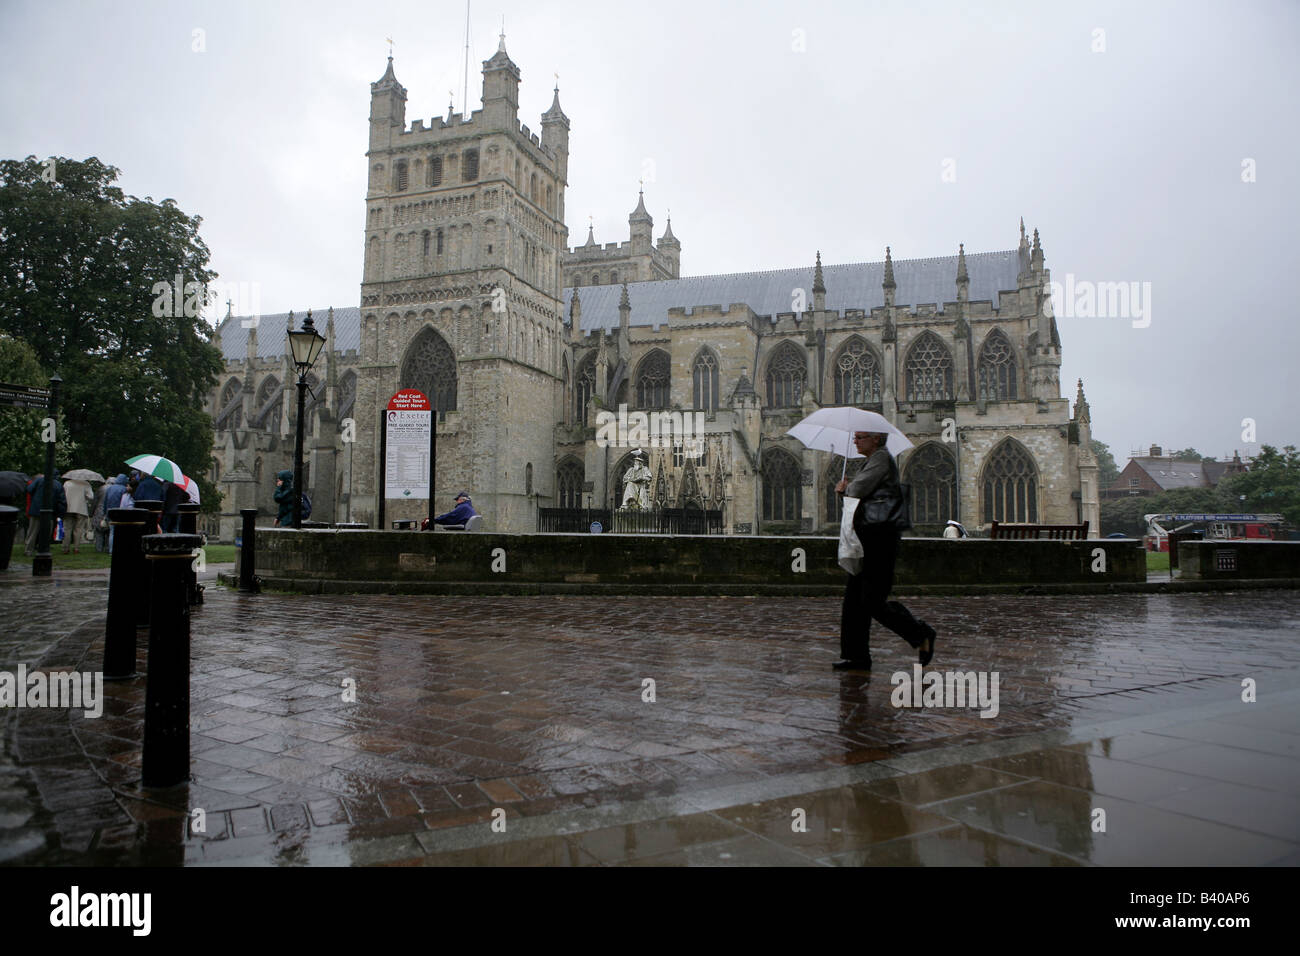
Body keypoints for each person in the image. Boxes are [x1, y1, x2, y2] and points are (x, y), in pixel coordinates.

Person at [833, 430, 936, 671]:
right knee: (854, 601)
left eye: (860, 437)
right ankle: (856, 656)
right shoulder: (872, 460)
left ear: (876, 439)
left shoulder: (880, 458)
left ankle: (921, 634)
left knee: (872, 600)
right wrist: (846, 491)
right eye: (855, 437)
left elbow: (857, 491)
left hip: (879, 541)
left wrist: (845, 489)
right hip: (868, 538)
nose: (855, 441)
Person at [23, 472, 67, 556]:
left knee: (32, 531)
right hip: (49, 511)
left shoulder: (39, 480)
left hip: (35, 509)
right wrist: (60, 514)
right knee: (46, 532)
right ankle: (44, 549)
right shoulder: (58, 484)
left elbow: (29, 489)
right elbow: (61, 501)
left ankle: (28, 550)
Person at [62, 476, 94, 554]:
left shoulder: (67, 483)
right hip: (80, 508)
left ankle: (66, 548)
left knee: (67, 529)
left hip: (68, 508)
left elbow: (62, 494)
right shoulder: (85, 484)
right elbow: (91, 496)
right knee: (79, 529)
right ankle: (76, 548)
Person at [101, 473, 129, 553]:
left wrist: (105, 514)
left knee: (112, 532)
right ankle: (119, 549)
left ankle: (111, 550)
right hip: (120, 513)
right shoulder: (124, 489)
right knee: (120, 533)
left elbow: (105, 502)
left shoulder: (110, 488)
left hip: (110, 513)